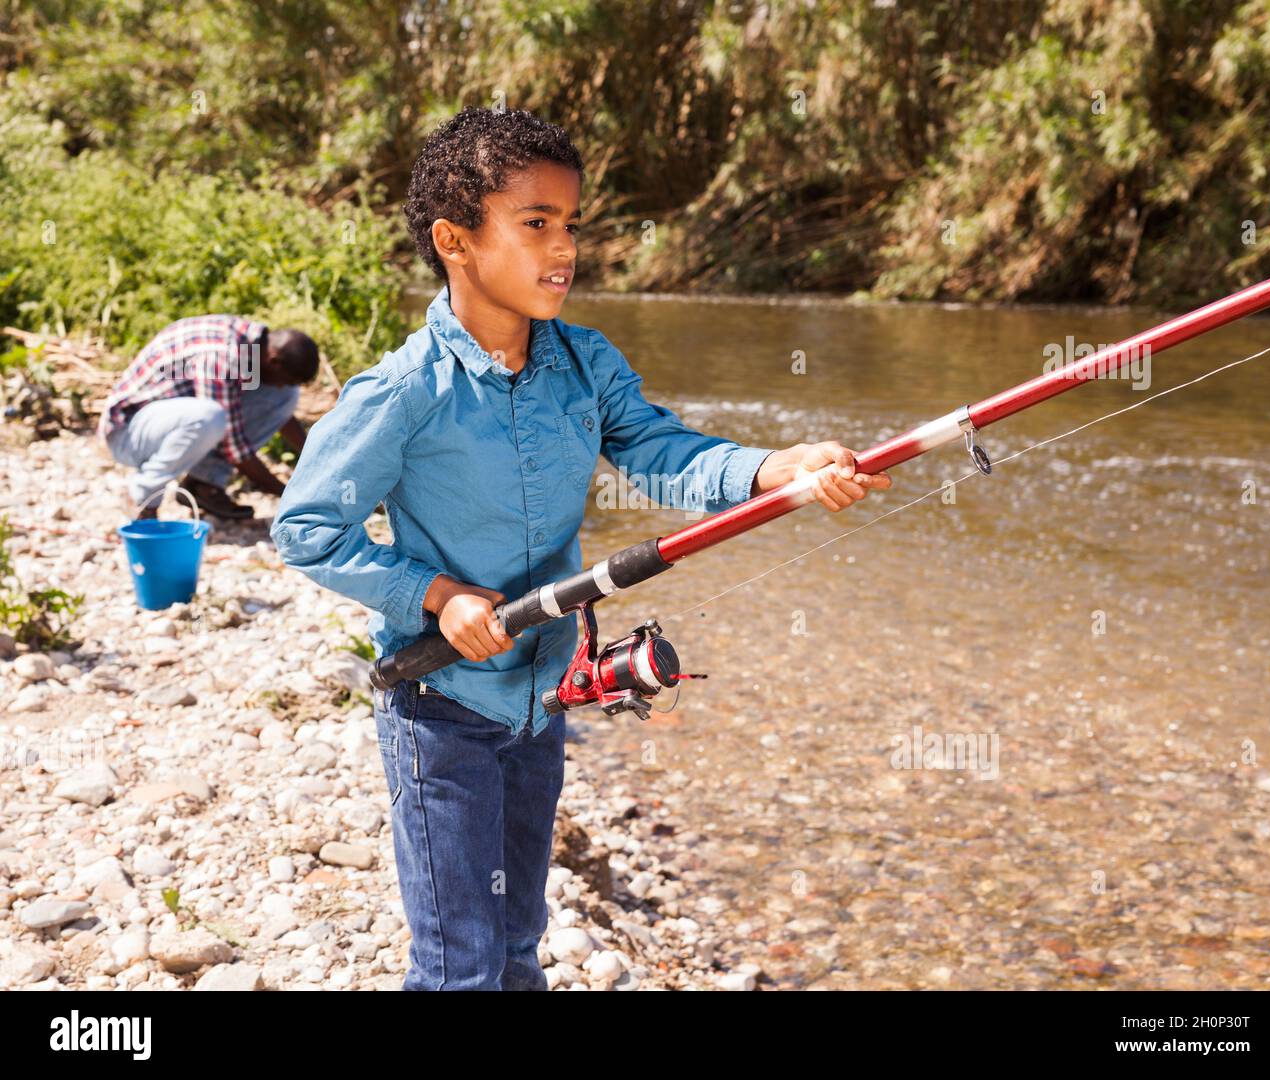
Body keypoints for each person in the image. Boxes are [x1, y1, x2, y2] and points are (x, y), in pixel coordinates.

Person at [272, 106, 891, 991]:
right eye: (535, 225)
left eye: (570, 225)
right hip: (439, 708)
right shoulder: (405, 391)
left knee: (520, 940)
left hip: (545, 702)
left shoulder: (586, 363)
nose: (563, 249)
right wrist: (439, 595)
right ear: (454, 240)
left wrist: (775, 467)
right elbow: (306, 529)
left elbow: (663, 453)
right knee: (459, 964)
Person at [98, 316, 319, 519]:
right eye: (285, 379)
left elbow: (281, 417)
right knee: (209, 416)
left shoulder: (252, 346)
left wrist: (317, 455)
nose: (282, 385)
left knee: (285, 396)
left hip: (165, 420)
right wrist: (288, 495)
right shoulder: (223, 357)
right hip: (128, 433)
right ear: (274, 361)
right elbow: (235, 449)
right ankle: (141, 498)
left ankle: (204, 483)